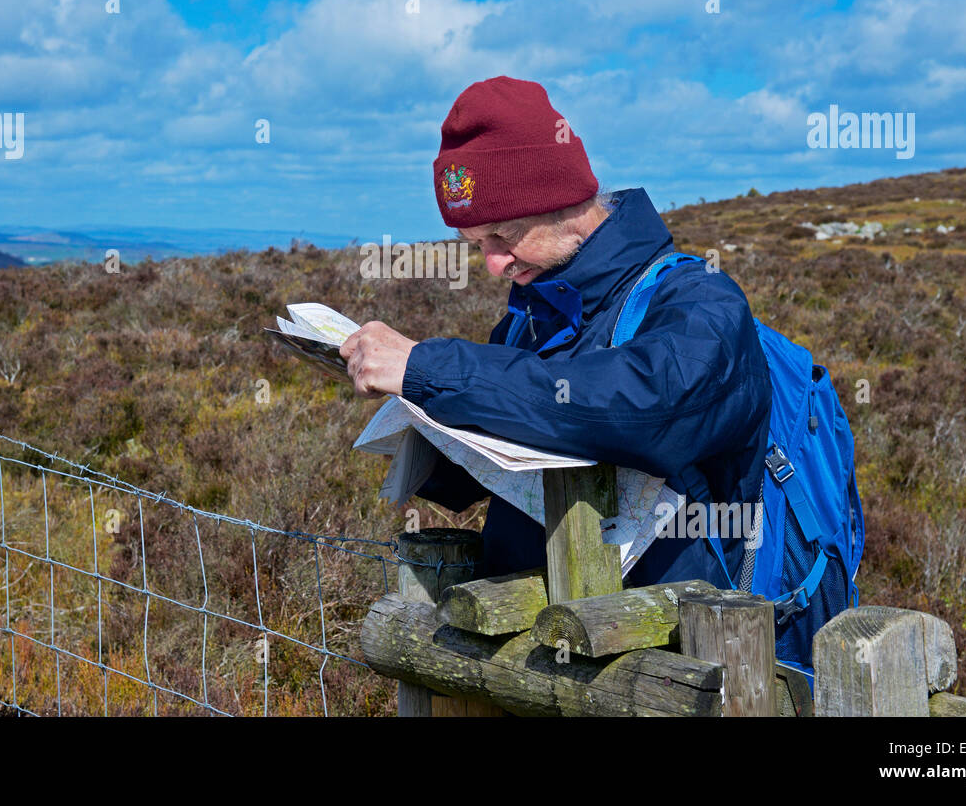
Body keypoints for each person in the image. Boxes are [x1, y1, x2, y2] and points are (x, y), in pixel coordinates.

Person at [339, 75, 814, 609]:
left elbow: (646, 408)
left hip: (677, 662)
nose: (493, 263)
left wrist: (434, 369)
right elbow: (496, 466)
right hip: (543, 648)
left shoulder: (701, 300)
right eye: (475, 242)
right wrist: (417, 413)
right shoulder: (532, 313)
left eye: (504, 233)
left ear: (564, 200)